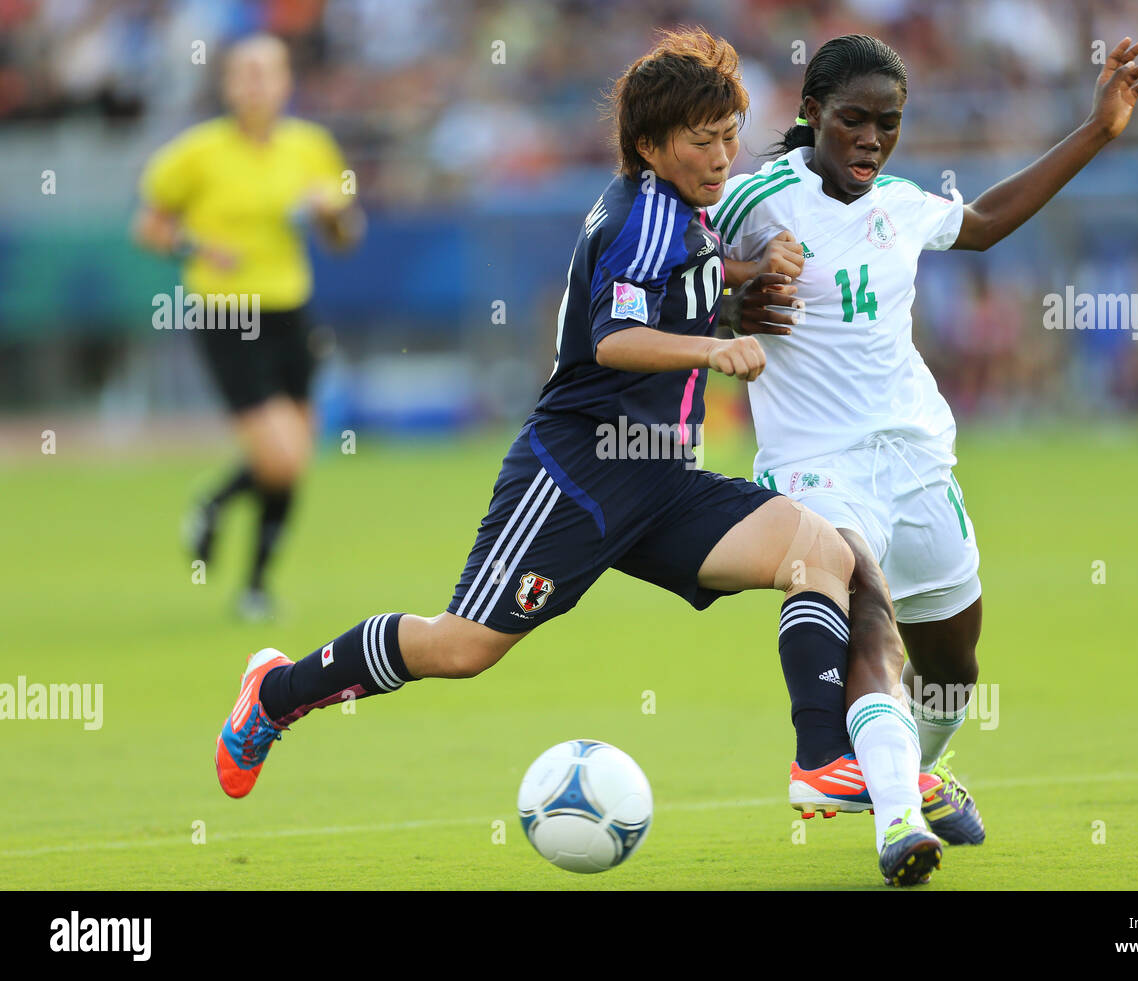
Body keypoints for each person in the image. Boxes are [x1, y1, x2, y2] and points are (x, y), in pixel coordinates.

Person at [211, 27, 946, 887]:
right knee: (460, 647)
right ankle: (275, 692)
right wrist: (714, 350)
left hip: (661, 478)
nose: (720, 156)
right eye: (701, 141)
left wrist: (744, 272)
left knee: (819, 551)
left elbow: (689, 275)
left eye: (728, 135)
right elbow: (615, 337)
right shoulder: (645, 216)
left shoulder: (684, 205)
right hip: (576, 478)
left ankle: (821, 756)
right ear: (649, 145)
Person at [711, 34, 1138, 847]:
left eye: (889, 123)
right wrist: (723, 311)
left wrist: (1099, 130)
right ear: (812, 114)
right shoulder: (753, 201)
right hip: (815, 468)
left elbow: (983, 223)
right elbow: (670, 276)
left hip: (916, 462)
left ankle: (912, 768)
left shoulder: (901, 206)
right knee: (867, 609)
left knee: (952, 670)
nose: (872, 140)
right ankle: (898, 822)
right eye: (853, 121)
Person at [132, 34, 364, 620]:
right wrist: (195, 244)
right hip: (226, 312)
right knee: (281, 455)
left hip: (290, 311)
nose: (256, 83)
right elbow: (150, 226)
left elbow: (345, 239)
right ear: (228, 84)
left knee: (294, 457)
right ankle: (226, 524)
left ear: (287, 82)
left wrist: (333, 213)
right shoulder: (195, 154)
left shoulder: (310, 147)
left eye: (268, 72)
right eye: (245, 73)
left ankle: (250, 573)